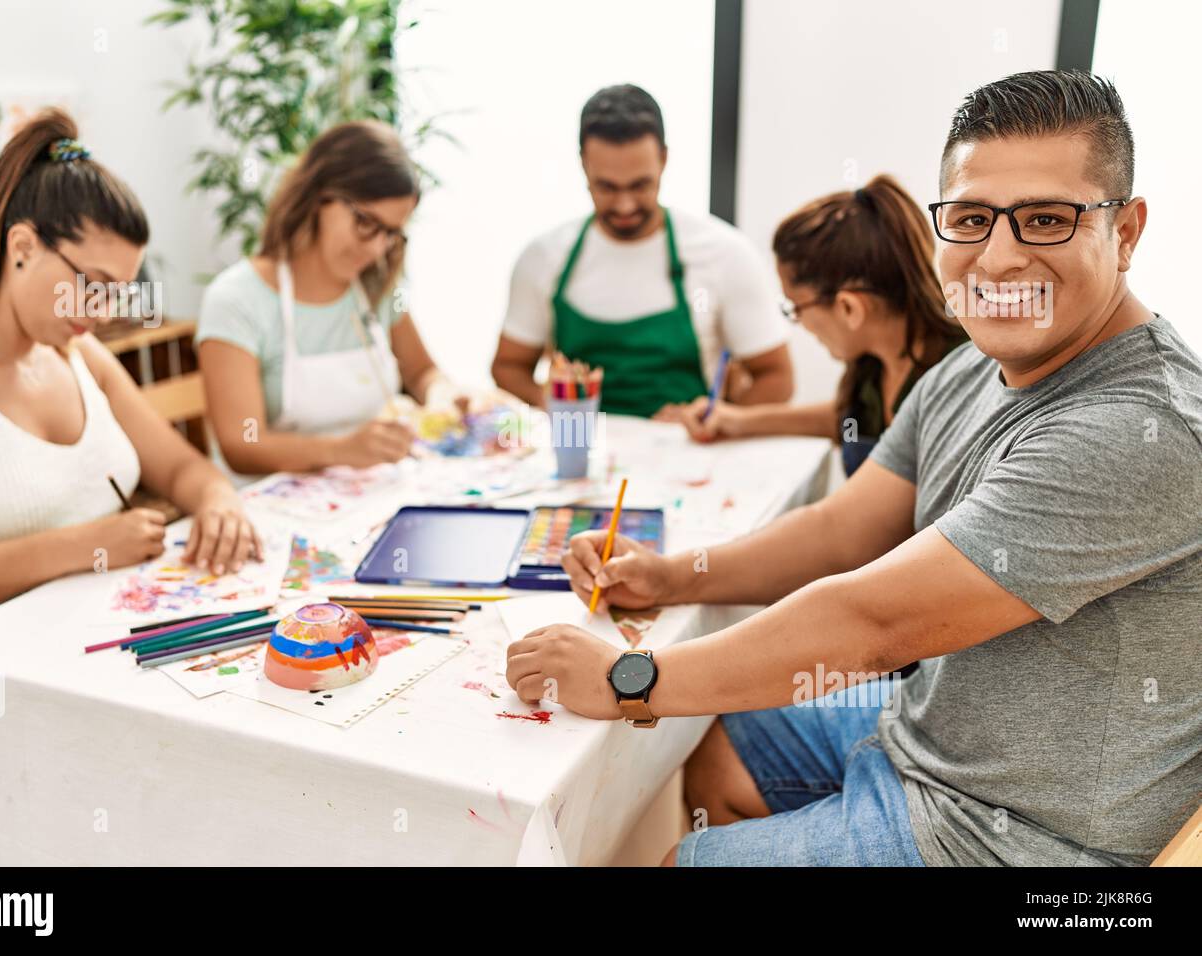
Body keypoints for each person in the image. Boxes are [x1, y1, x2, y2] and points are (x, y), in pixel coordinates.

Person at [506, 71, 1202, 866]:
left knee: (674, 861)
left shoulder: (1140, 427)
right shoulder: (970, 367)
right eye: (972, 219)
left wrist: (630, 677)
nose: (1000, 259)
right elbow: (842, 529)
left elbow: (872, 624)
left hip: (1021, 834)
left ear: (1128, 230)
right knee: (715, 754)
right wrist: (669, 577)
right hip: (928, 729)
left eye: (1047, 219)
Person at [0, 110, 263, 648]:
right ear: (22, 247)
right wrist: (77, 547)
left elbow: (183, 467)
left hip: (91, 642)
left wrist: (219, 503)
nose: (102, 312)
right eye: (94, 285)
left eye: (119, 293)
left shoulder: (78, 353)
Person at [491, 84, 793, 418]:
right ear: (583, 165)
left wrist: (715, 420)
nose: (624, 205)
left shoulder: (725, 254)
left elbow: (776, 378)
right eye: (606, 187)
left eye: (640, 185)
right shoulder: (544, 257)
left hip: (685, 457)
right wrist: (552, 405)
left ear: (663, 160)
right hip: (580, 456)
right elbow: (509, 367)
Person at [197, 120, 471, 478]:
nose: (376, 248)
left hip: (365, 499)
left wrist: (440, 393)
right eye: (365, 222)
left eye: (390, 233)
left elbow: (421, 371)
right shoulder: (236, 301)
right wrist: (341, 450)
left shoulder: (379, 291)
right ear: (318, 195)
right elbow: (242, 442)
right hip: (272, 511)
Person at [677, 175, 967, 476]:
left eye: (796, 307)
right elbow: (844, 420)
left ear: (848, 308)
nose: (799, 322)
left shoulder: (960, 375)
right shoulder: (874, 364)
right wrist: (738, 421)